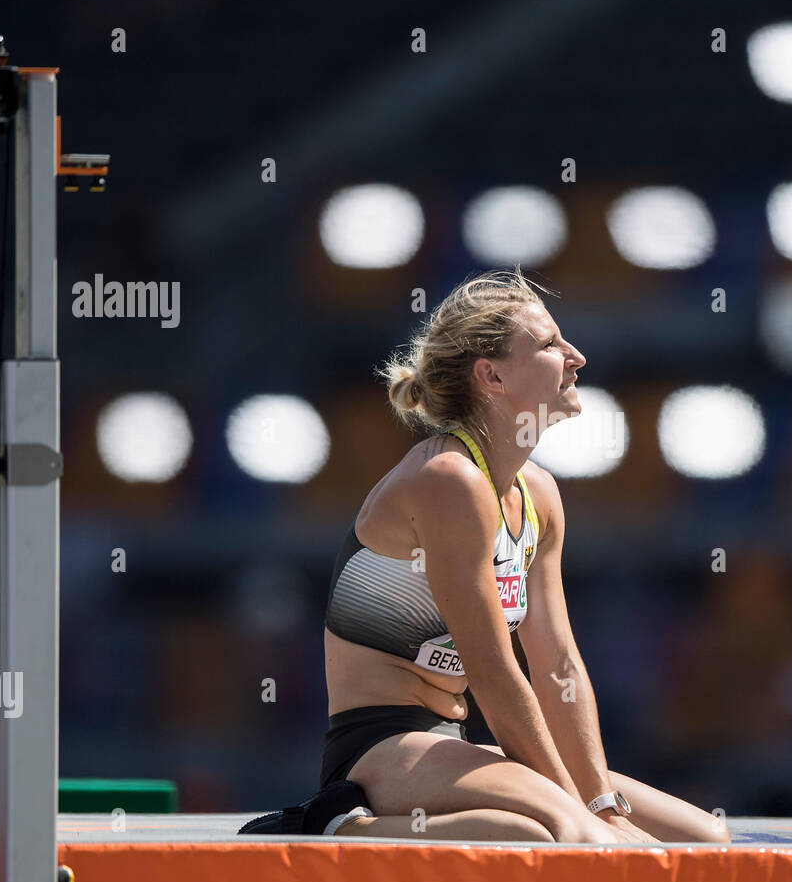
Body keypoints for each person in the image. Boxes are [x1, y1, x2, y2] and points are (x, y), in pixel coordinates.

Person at [243, 268, 731, 845]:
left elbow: (557, 667)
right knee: (573, 837)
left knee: (703, 841)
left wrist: (601, 801)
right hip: (381, 748)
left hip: (453, 744)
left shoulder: (539, 493)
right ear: (492, 375)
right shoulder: (448, 480)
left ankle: (404, 823)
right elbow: (496, 672)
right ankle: (336, 823)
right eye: (550, 344)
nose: (576, 356)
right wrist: (578, 812)